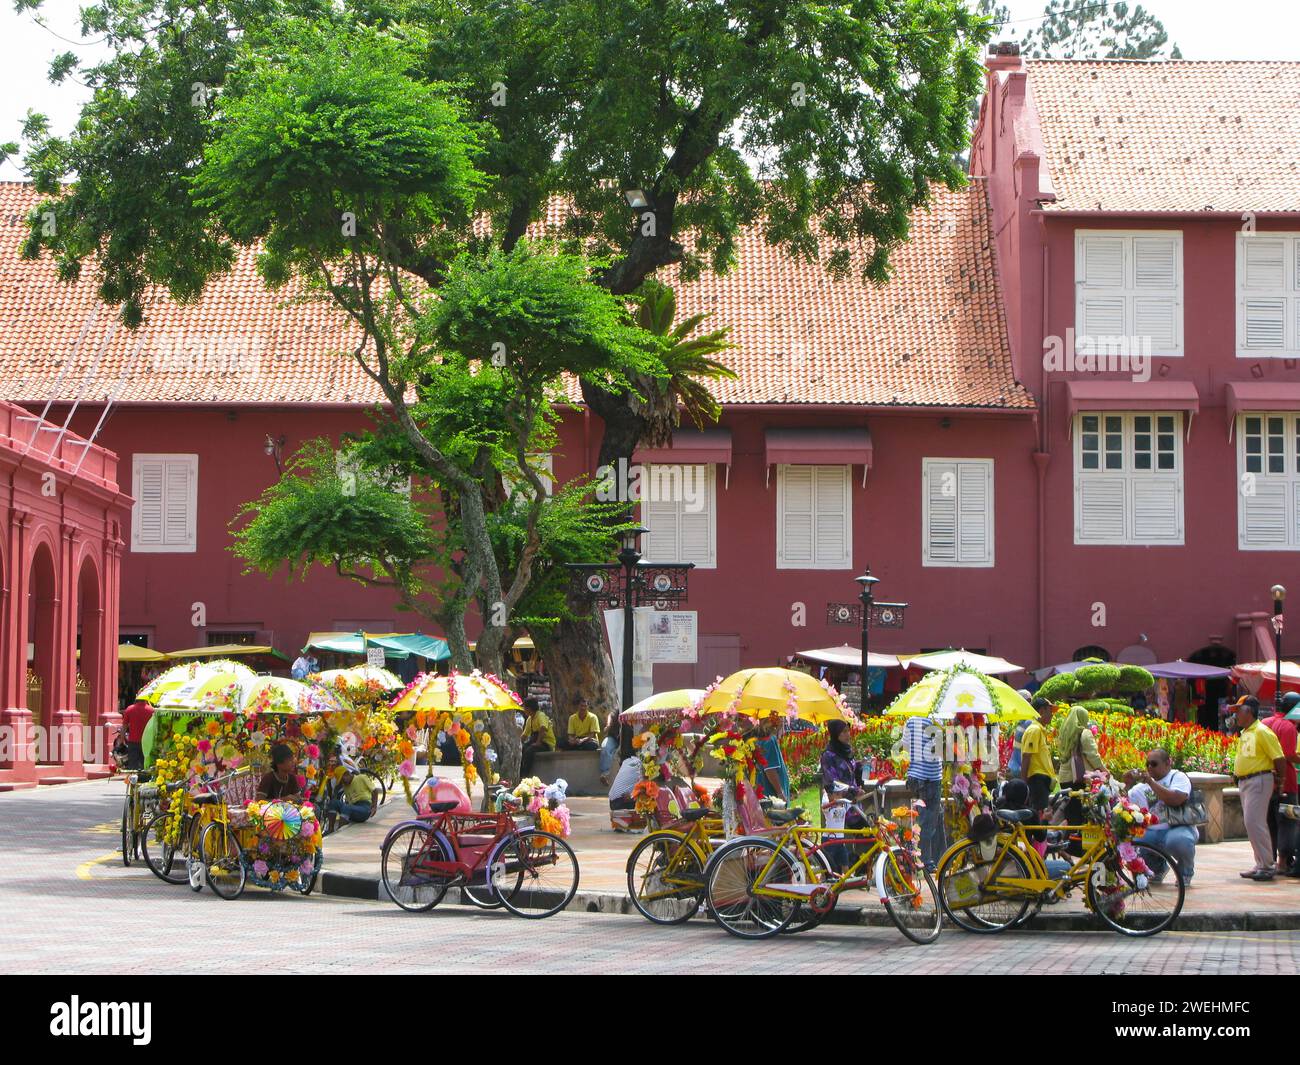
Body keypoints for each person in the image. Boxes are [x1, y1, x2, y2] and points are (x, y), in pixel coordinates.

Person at [1231, 696, 1287, 881]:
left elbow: (1279, 758)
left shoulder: (1263, 731)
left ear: (1249, 711)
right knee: (1251, 823)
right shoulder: (1247, 732)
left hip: (1259, 780)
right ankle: (1261, 863)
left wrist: (1281, 780)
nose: (1236, 714)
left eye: (1239, 710)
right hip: (1247, 781)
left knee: (1255, 822)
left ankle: (1267, 865)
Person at [1127, 747, 1197, 886]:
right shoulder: (1141, 786)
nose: (1149, 767)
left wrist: (1151, 783)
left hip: (1177, 828)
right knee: (1135, 841)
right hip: (1152, 832)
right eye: (1147, 764)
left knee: (1179, 840)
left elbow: (1176, 799)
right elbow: (1124, 805)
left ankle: (1185, 872)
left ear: (1168, 763)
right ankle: (1158, 869)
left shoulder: (1177, 777)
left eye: (1154, 764)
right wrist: (1127, 783)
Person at [902, 712, 944, 871]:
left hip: (914, 777)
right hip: (930, 777)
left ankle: (915, 856)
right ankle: (924, 861)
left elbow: (905, 745)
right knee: (928, 822)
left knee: (919, 818)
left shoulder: (911, 719)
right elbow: (939, 749)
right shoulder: (936, 720)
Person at [1262, 695, 1299, 875]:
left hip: (1267, 781)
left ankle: (1269, 859)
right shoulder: (1288, 726)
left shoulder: (1265, 722)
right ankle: (1283, 862)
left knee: (1270, 821)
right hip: (1287, 781)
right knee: (1288, 821)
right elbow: (1288, 755)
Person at [820, 719, 863, 871]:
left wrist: (859, 768)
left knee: (864, 832)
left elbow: (851, 773)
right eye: (843, 732)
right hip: (838, 803)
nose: (847, 735)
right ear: (835, 734)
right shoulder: (828, 755)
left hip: (853, 803)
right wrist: (852, 790)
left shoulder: (847, 751)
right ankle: (832, 870)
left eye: (847, 731)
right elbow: (832, 782)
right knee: (836, 839)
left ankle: (858, 867)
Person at [1019, 698, 1058, 815]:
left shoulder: (1039, 730)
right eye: (1050, 711)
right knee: (1039, 816)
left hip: (1041, 781)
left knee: (1041, 814)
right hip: (1037, 781)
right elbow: (1027, 756)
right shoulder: (1034, 730)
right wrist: (1023, 783)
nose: (1052, 715)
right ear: (1041, 711)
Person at [326, 756, 380, 830]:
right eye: (341, 781)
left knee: (347, 807)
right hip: (352, 808)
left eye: (342, 779)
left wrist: (374, 806)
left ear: (347, 774)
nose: (343, 782)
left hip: (365, 808)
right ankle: (330, 829)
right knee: (333, 802)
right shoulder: (345, 785)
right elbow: (337, 795)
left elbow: (375, 791)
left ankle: (339, 831)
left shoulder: (361, 778)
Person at [753, 713, 789, 802]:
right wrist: (780, 793)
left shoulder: (760, 738)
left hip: (763, 793)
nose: (782, 720)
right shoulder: (769, 740)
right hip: (772, 797)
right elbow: (770, 769)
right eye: (779, 717)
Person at [519, 697, 555, 778]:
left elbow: (543, 728)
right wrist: (518, 745)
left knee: (529, 751)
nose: (523, 709)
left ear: (529, 708)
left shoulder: (540, 715)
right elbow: (525, 735)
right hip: (535, 743)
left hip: (546, 743)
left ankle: (526, 775)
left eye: (524, 707)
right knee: (522, 749)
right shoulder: (529, 719)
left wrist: (538, 742)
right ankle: (520, 775)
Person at [119, 697, 155, 771]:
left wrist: (122, 739)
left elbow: (124, 726)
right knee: (145, 762)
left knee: (133, 764)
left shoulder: (130, 709)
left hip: (133, 741)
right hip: (147, 741)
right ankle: (144, 779)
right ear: (146, 699)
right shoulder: (151, 710)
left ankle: (133, 779)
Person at [1007, 688, 1034, 777]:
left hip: (1020, 770)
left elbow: (1029, 752)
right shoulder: (1022, 722)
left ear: (1028, 701)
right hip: (1015, 769)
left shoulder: (1029, 723)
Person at [598, 710, 621, 786]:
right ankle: (604, 774)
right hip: (613, 738)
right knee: (605, 747)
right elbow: (611, 715)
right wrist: (608, 725)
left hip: (626, 740)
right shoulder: (618, 710)